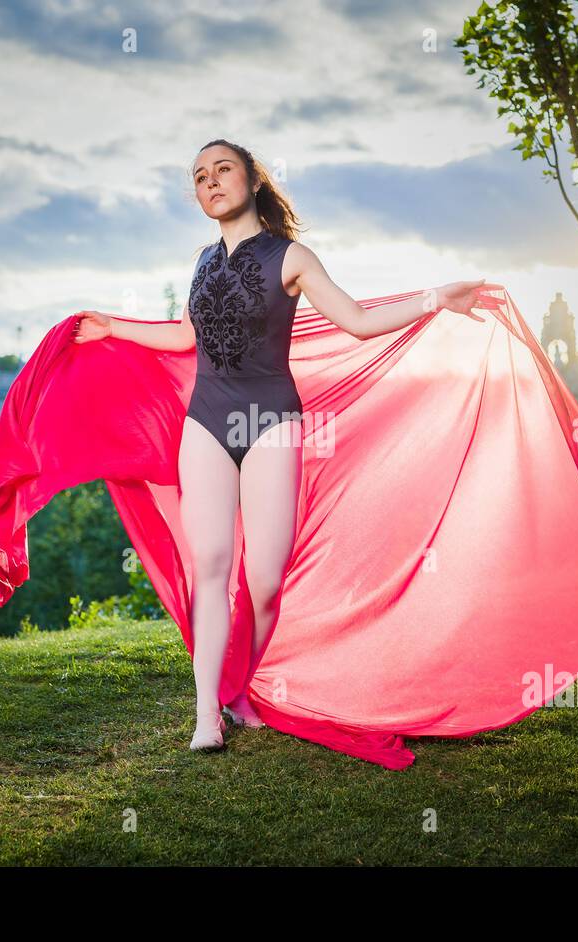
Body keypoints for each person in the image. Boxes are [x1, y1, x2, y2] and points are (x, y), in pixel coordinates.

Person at [68, 139, 492, 751]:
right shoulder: (202, 266)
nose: (210, 182)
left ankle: (240, 687)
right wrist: (113, 328)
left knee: (264, 579)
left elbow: (356, 319)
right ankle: (207, 715)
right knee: (210, 567)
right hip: (206, 424)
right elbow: (187, 337)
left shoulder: (292, 257)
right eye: (199, 177)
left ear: (252, 181)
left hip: (271, 422)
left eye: (223, 170)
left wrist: (436, 298)